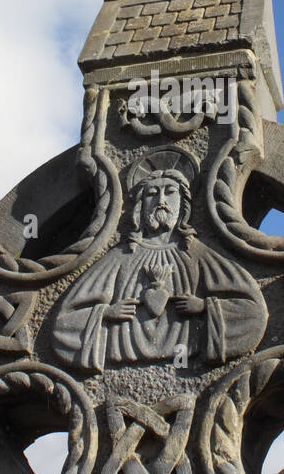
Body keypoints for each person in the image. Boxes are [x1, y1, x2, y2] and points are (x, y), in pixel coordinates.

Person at [52, 150, 267, 373]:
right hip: (124, 355)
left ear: (184, 204)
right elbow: (62, 324)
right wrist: (106, 313)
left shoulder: (198, 254)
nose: (161, 201)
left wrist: (205, 306)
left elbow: (253, 313)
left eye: (170, 192)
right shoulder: (121, 256)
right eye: (152, 194)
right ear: (139, 207)